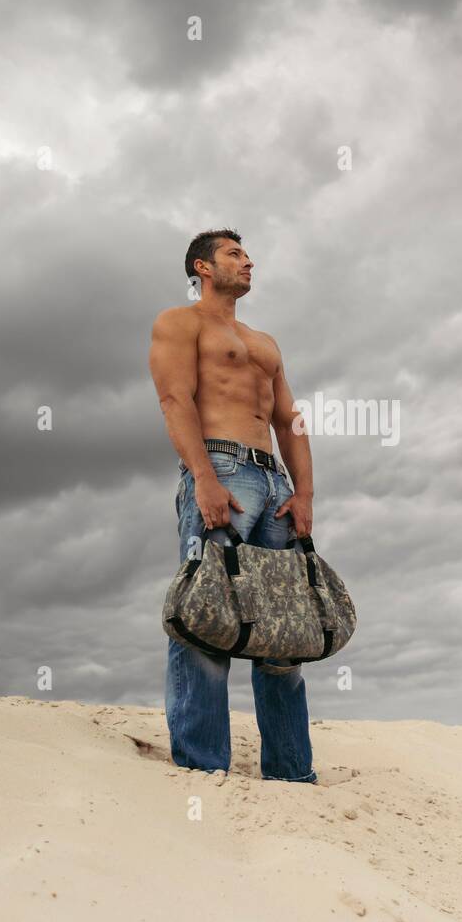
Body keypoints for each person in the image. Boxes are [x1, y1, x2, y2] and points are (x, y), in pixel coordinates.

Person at [148, 227, 318, 783]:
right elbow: (174, 399)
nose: (248, 262)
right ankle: (203, 768)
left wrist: (305, 493)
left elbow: (289, 421)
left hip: (273, 484)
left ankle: (292, 774)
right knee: (206, 616)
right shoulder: (180, 322)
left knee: (286, 631)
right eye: (234, 254)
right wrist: (202, 476)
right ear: (202, 266)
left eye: (247, 254)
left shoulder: (265, 342)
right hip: (220, 469)